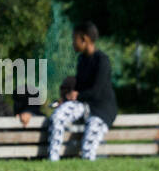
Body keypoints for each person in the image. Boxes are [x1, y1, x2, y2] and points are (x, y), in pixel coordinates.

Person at [48, 21, 117, 160]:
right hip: (84, 104)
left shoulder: (102, 61)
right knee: (58, 116)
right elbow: (79, 87)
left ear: (84, 39)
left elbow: (97, 91)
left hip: (101, 109)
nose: (73, 43)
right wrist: (66, 99)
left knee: (87, 148)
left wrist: (77, 95)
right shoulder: (82, 60)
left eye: (75, 39)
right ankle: (52, 160)